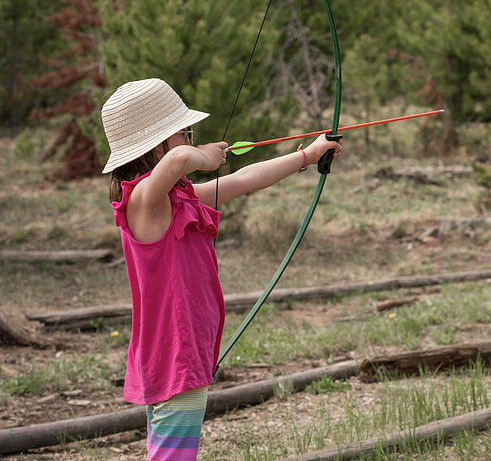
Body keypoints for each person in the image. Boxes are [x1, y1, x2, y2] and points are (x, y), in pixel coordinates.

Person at [100, 78, 341, 461]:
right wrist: (204, 156)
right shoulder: (144, 202)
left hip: (185, 351)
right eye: (185, 133)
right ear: (155, 146)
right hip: (173, 356)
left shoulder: (181, 198)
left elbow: (245, 179)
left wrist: (307, 157)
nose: (191, 141)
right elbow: (180, 160)